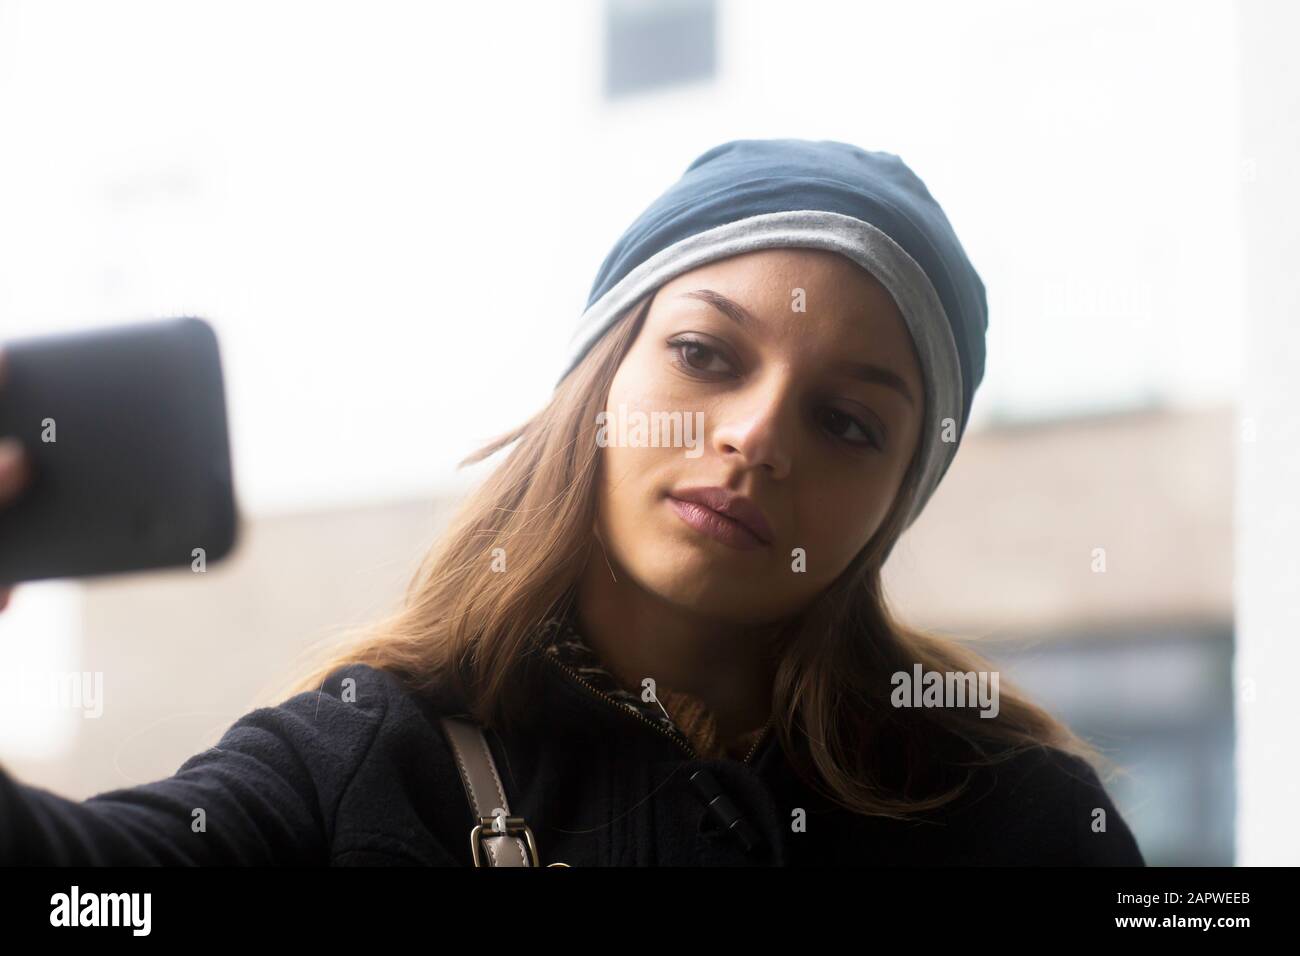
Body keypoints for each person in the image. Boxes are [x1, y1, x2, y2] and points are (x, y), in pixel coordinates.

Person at [0, 138, 1144, 866]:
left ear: (897, 497)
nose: (753, 435)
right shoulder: (363, 762)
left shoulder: (1010, 818)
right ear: (598, 380)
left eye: (847, 422)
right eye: (705, 351)